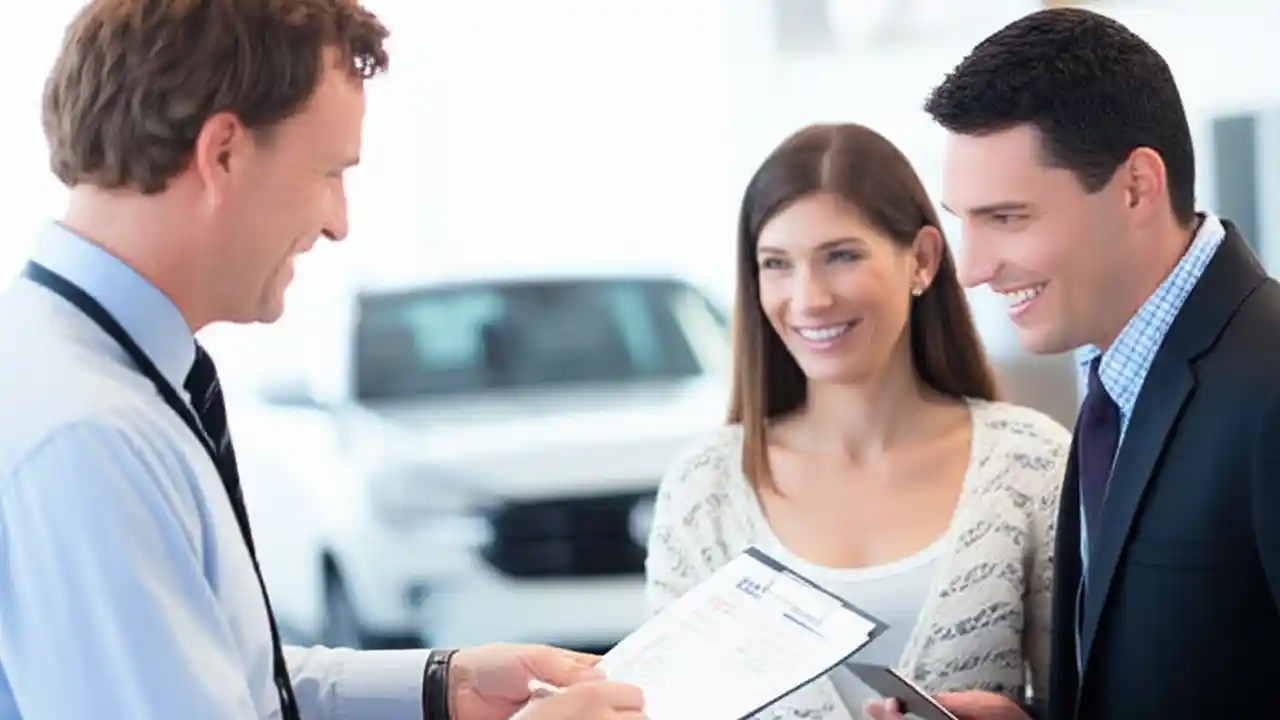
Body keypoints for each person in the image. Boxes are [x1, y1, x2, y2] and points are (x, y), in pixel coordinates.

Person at [0, 2, 643, 719]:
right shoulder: (89, 438)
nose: (339, 222)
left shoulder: (78, 372)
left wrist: (439, 687)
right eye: (330, 172)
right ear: (224, 155)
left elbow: (225, 682)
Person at [867, 7, 1280, 720]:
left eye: (1007, 217)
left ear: (1136, 188)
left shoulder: (1268, 382)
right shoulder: (1114, 378)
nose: (970, 269)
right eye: (966, 220)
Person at [644, 122, 1071, 719]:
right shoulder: (704, 487)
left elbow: (1097, 700)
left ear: (921, 260)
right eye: (777, 264)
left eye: (840, 256)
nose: (809, 298)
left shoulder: (1034, 464)